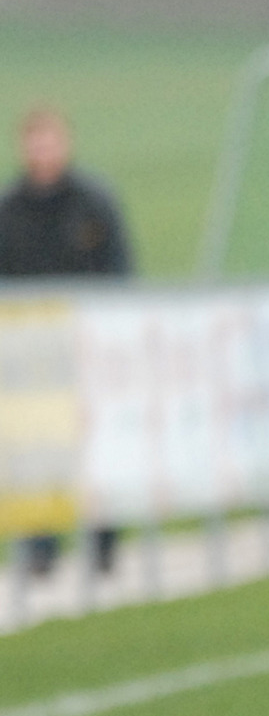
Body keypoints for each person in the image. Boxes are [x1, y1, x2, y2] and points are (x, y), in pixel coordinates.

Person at [0, 106, 134, 576]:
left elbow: (120, 270)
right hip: (30, 349)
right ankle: (41, 546)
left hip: (89, 342)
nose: (42, 150)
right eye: (34, 141)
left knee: (97, 441)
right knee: (36, 444)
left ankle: (102, 541)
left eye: (49, 140)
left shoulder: (92, 201)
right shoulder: (9, 208)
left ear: (65, 142)